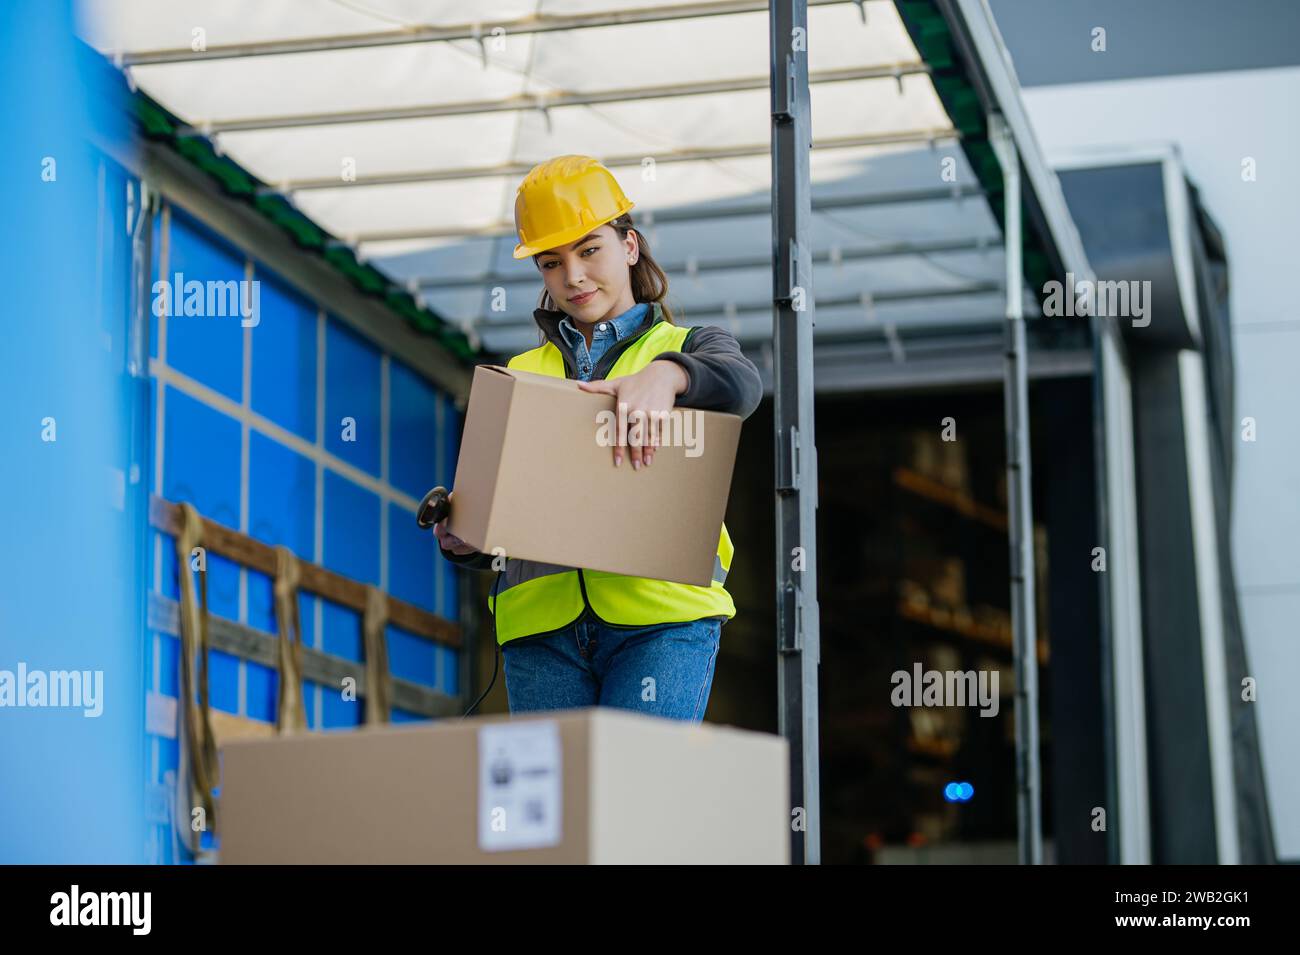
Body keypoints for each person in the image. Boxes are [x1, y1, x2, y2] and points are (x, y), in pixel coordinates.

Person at [436, 154, 762, 722]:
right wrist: (468, 536)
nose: (574, 277)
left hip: (661, 620)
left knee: (637, 800)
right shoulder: (518, 374)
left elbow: (743, 387)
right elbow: (511, 519)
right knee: (559, 811)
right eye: (551, 262)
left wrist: (670, 373)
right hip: (542, 631)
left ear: (630, 246)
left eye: (590, 250)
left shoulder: (691, 344)